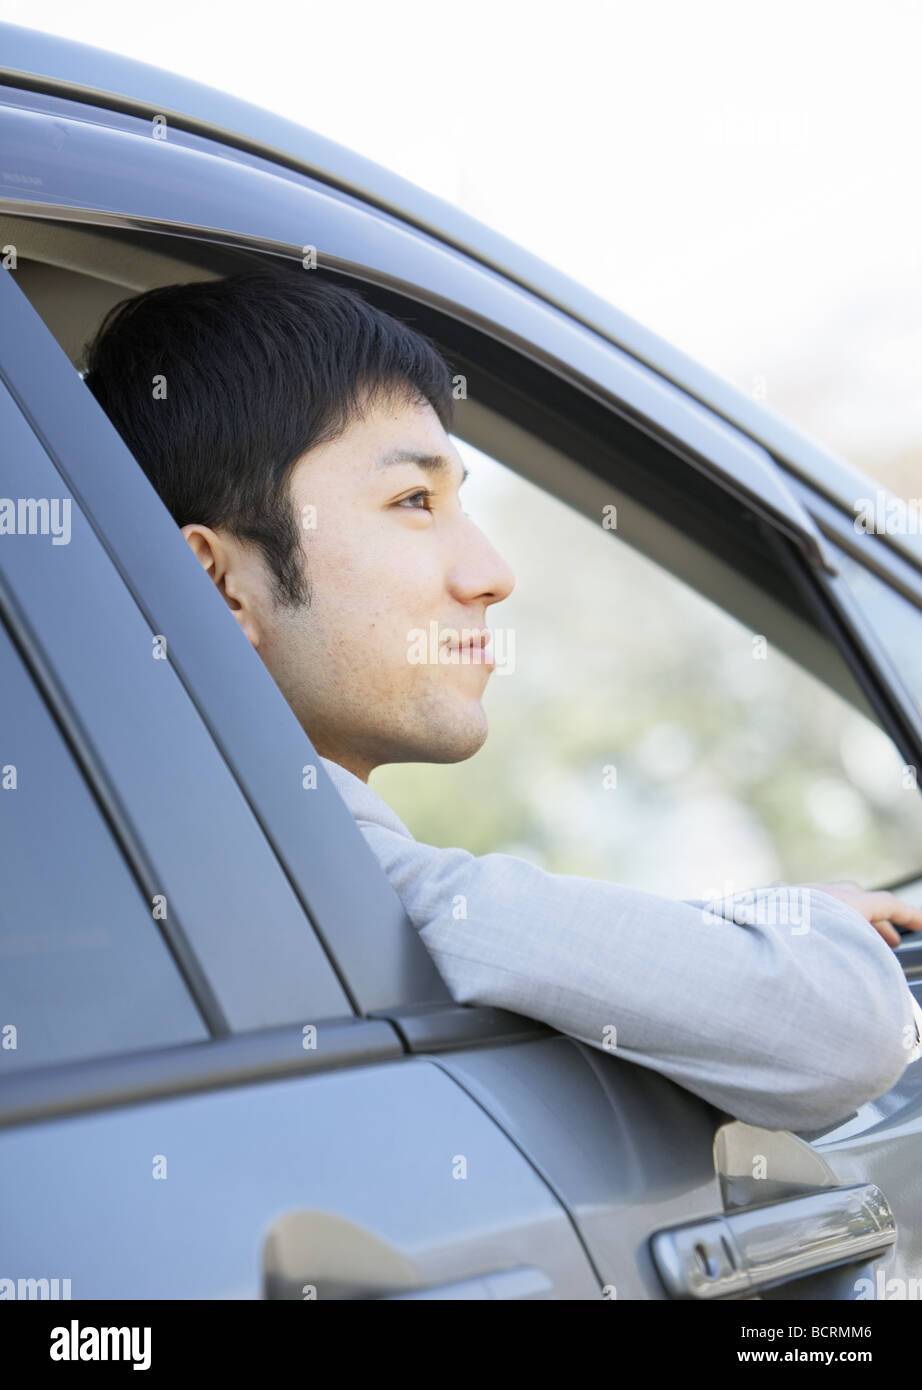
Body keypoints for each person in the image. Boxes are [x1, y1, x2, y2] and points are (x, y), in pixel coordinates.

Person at [83, 263, 922, 1132]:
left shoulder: (147, 851)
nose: (492, 573)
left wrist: (733, 933)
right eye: (414, 501)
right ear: (215, 585)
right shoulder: (289, 869)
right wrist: (801, 942)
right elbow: (849, 1032)